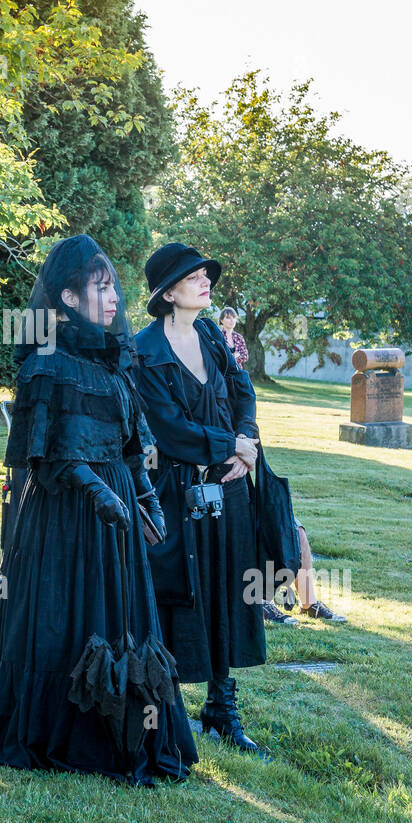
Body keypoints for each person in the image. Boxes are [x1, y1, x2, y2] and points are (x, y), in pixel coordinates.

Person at [0, 234, 198, 784]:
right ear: (68, 298)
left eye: (113, 285)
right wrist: (101, 496)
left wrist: (143, 495)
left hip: (117, 510)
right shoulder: (46, 366)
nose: (114, 296)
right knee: (64, 618)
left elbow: (130, 444)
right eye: (100, 287)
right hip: (67, 518)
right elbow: (44, 456)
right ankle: (56, 734)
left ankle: (119, 731)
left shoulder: (116, 361)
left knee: (119, 618)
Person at [134, 243, 269, 757]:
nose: (204, 282)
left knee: (229, 588)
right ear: (168, 293)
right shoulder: (147, 351)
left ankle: (221, 706)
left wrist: (246, 444)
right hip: (178, 489)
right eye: (192, 278)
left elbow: (243, 393)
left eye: (204, 275)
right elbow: (168, 429)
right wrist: (226, 445)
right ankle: (158, 707)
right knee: (183, 590)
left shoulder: (213, 335)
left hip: (229, 486)